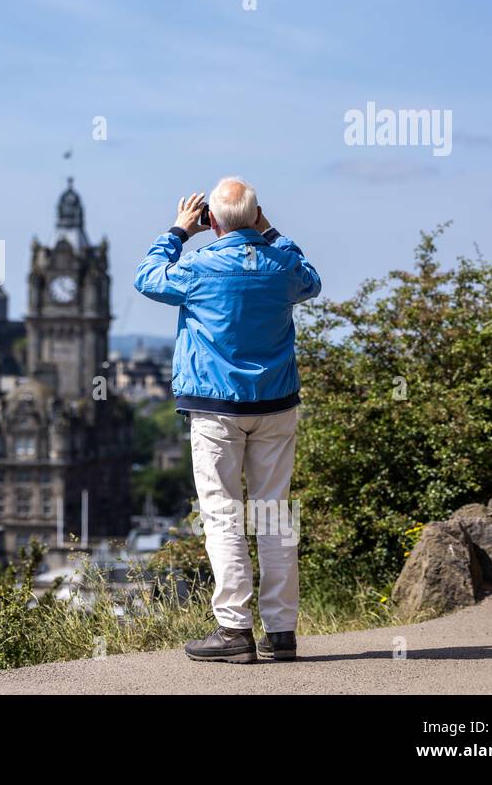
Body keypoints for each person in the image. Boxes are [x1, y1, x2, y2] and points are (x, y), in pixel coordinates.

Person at [133, 177, 321, 663]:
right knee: (273, 515)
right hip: (275, 405)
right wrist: (271, 231)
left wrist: (177, 232)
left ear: (210, 221)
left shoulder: (197, 267)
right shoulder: (282, 268)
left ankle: (234, 631)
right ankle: (281, 632)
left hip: (216, 410)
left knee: (222, 515)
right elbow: (312, 280)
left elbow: (147, 277)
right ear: (257, 216)